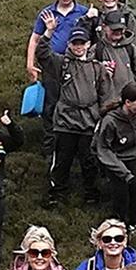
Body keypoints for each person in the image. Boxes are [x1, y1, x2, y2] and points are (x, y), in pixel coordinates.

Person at [36, 25, 112, 207]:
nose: (78, 47)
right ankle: (57, 194)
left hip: (89, 121)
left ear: (88, 44)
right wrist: (48, 33)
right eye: (75, 43)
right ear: (69, 44)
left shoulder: (98, 67)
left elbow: (106, 95)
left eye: (82, 43)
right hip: (65, 121)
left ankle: (91, 194)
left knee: (89, 161)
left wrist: (102, 117)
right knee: (62, 160)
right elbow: (42, 53)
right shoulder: (61, 62)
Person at [94, 83, 136, 230]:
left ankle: (135, 224)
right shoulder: (110, 121)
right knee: (120, 194)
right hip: (115, 160)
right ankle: (118, 224)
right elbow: (103, 148)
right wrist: (122, 171)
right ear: (128, 102)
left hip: (134, 158)